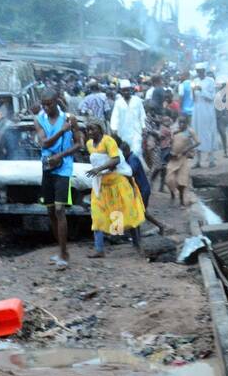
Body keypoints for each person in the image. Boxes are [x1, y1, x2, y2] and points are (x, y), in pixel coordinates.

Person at [83, 120, 145, 259]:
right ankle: (99, 249)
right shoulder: (89, 144)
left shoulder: (108, 141)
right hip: (101, 185)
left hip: (117, 184)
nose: (90, 132)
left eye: (92, 129)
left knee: (129, 214)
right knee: (97, 215)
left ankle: (137, 244)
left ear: (100, 129)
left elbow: (116, 160)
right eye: (88, 130)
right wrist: (98, 171)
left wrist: (98, 169)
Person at [34, 90, 81, 270]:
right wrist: (62, 131)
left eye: (49, 104)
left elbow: (79, 144)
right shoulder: (39, 119)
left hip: (64, 168)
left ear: (57, 101)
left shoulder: (70, 119)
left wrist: (61, 155)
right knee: (51, 211)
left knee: (60, 209)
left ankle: (65, 253)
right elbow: (45, 143)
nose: (46, 108)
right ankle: (61, 250)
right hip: (47, 167)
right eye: (43, 104)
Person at [118, 139, 164, 235]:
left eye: (121, 153)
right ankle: (159, 226)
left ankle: (137, 236)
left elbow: (130, 172)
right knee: (142, 212)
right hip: (141, 189)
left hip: (143, 190)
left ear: (126, 151)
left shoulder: (133, 159)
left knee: (137, 212)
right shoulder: (128, 159)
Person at [167, 116, 198, 207]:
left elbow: (198, 142)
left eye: (183, 122)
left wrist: (187, 149)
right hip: (174, 158)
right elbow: (170, 142)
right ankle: (172, 192)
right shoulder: (174, 130)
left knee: (182, 181)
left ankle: (181, 201)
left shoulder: (190, 131)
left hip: (183, 158)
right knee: (169, 179)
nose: (181, 124)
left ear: (186, 123)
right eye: (180, 122)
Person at [191, 65, 218, 169]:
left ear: (204, 71)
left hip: (207, 110)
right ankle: (198, 161)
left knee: (208, 131)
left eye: (201, 71)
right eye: (198, 71)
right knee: (196, 133)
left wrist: (201, 89)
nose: (199, 73)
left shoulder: (210, 81)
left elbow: (212, 97)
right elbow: (193, 98)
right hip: (197, 110)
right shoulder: (195, 80)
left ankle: (211, 159)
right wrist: (193, 91)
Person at [109, 84, 145, 155]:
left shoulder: (137, 100)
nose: (126, 92)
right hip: (123, 130)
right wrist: (114, 128)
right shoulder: (118, 102)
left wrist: (143, 126)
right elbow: (115, 116)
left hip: (136, 130)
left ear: (130, 90)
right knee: (125, 152)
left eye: (127, 90)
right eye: (124, 90)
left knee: (136, 151)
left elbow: (142, 114)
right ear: (121, 91)